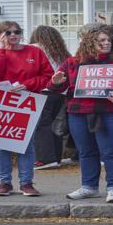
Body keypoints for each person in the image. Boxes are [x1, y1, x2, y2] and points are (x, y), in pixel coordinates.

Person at [47, 27, 113, 203]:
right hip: (78, 113)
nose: (107, 43)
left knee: (111, 151)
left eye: (109, 40)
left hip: (111, 112)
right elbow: (55, 87)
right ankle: (89, 187)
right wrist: (55, 83)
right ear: (89, 43)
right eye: (101, 40)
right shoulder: (72, 62)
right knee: (85, 151)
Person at [0, 20, 52, 197]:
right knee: (0, 145)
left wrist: (27, 84)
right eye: (8, 32)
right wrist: (1, 50)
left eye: (17, 31)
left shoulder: (35, 52)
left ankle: (26, 183)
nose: (13, 35)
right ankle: (5, 183)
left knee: (26, 144)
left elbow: (47, 75)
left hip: (26, 102)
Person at [27, 25, 72, 170]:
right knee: (54, 126)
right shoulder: (62, 53)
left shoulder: (33, 48)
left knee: (41, 125)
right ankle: (55, 158)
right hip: (60, 93)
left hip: (43, 90)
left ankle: (44, 159)